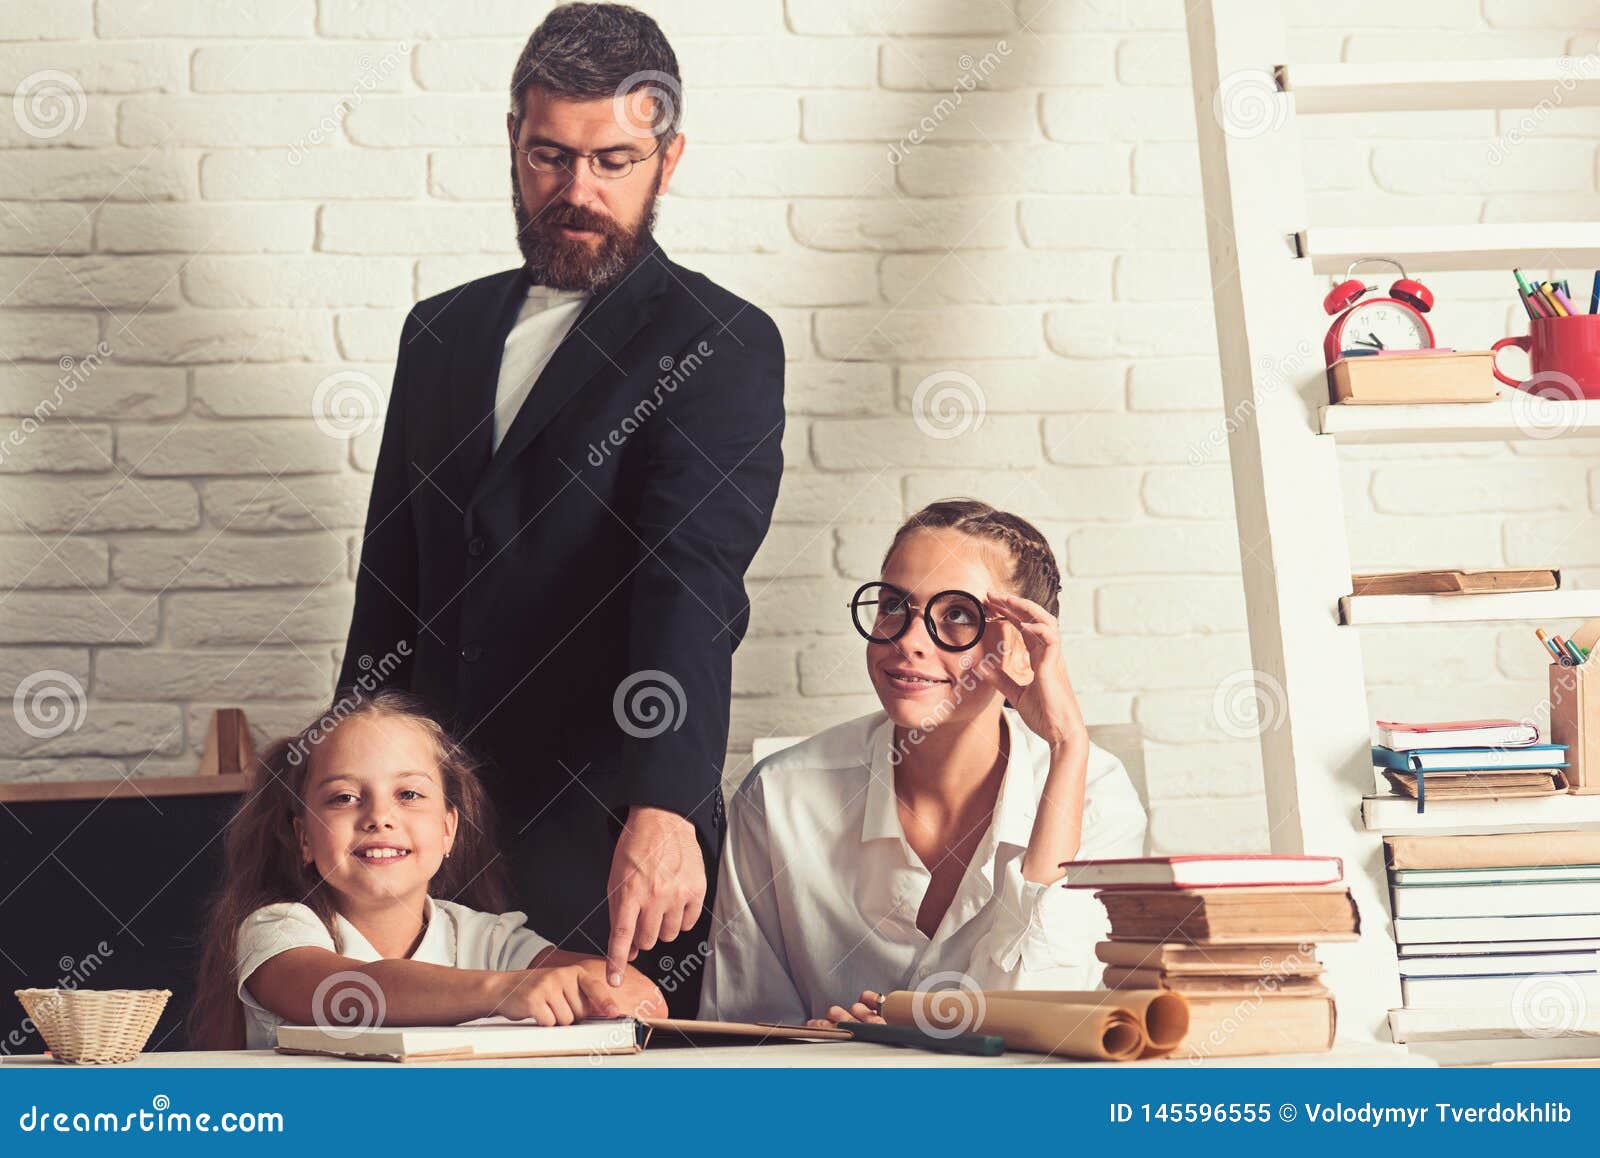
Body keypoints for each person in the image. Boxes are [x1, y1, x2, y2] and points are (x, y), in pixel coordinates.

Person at [337, 3, 784, 1017]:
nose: (576, 192)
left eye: (613, 162)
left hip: (601, 835)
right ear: (511, 139)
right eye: (549, 157)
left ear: (667, 161)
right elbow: (389, 586)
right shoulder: (439, 333)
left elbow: (691, 582)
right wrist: (342, 793)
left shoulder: (720, 343)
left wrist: (666, 804)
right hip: (417, 839)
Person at [698, 500, 1148, 1026]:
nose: (907, 642)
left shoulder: (1095, 793)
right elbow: (741, 1036)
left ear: (1023, 646)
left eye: (957, 614)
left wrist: (1068, 742)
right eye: (893, 605)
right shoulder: (777, 797)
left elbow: (1049, 1016)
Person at [190, 690, 664, 1049]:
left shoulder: (491, 941)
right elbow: (352, 992)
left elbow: (636, 997)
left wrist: (603, 990)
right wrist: (505, 991)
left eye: (409, 795)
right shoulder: (278, 929)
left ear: (447, 830)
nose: (379, 817)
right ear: (304, 839)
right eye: (344, 798)